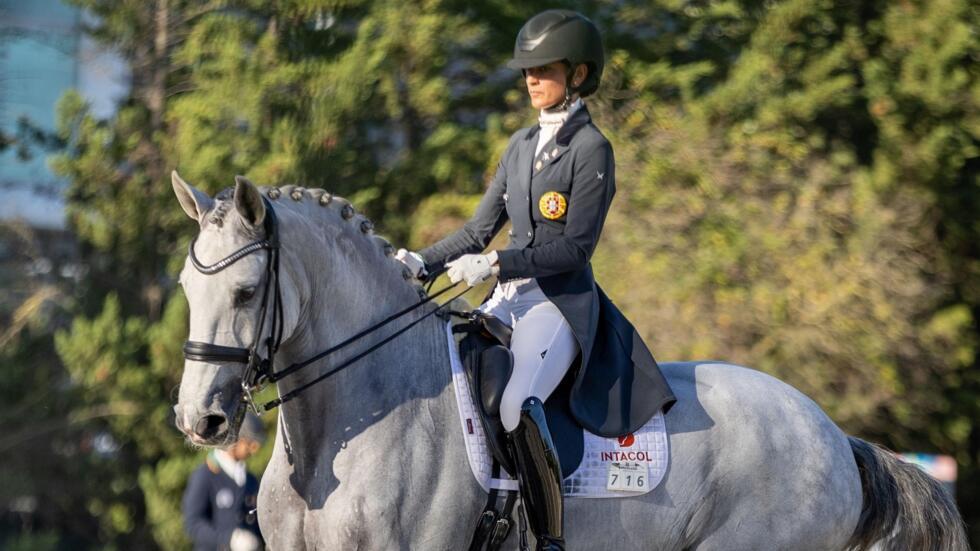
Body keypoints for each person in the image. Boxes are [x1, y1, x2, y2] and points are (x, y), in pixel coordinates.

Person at [396, 9, 676, 550]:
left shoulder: (592, 151)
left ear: (576, 74)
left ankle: (548, 537)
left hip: (559, 305)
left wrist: (499, 264)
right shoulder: (521, 146)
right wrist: (417, 261)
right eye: (527, 70)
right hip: (505, 301)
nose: (530, 79)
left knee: (515, 403)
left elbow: (575, 248)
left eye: (543, 69)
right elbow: (477, 230)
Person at [182, 413, 265, 551]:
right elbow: (193, 523)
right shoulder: (204, 475)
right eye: (249, 442)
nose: (254, 449)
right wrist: (229, 539)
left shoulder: (251, 480)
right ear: (235, 439)